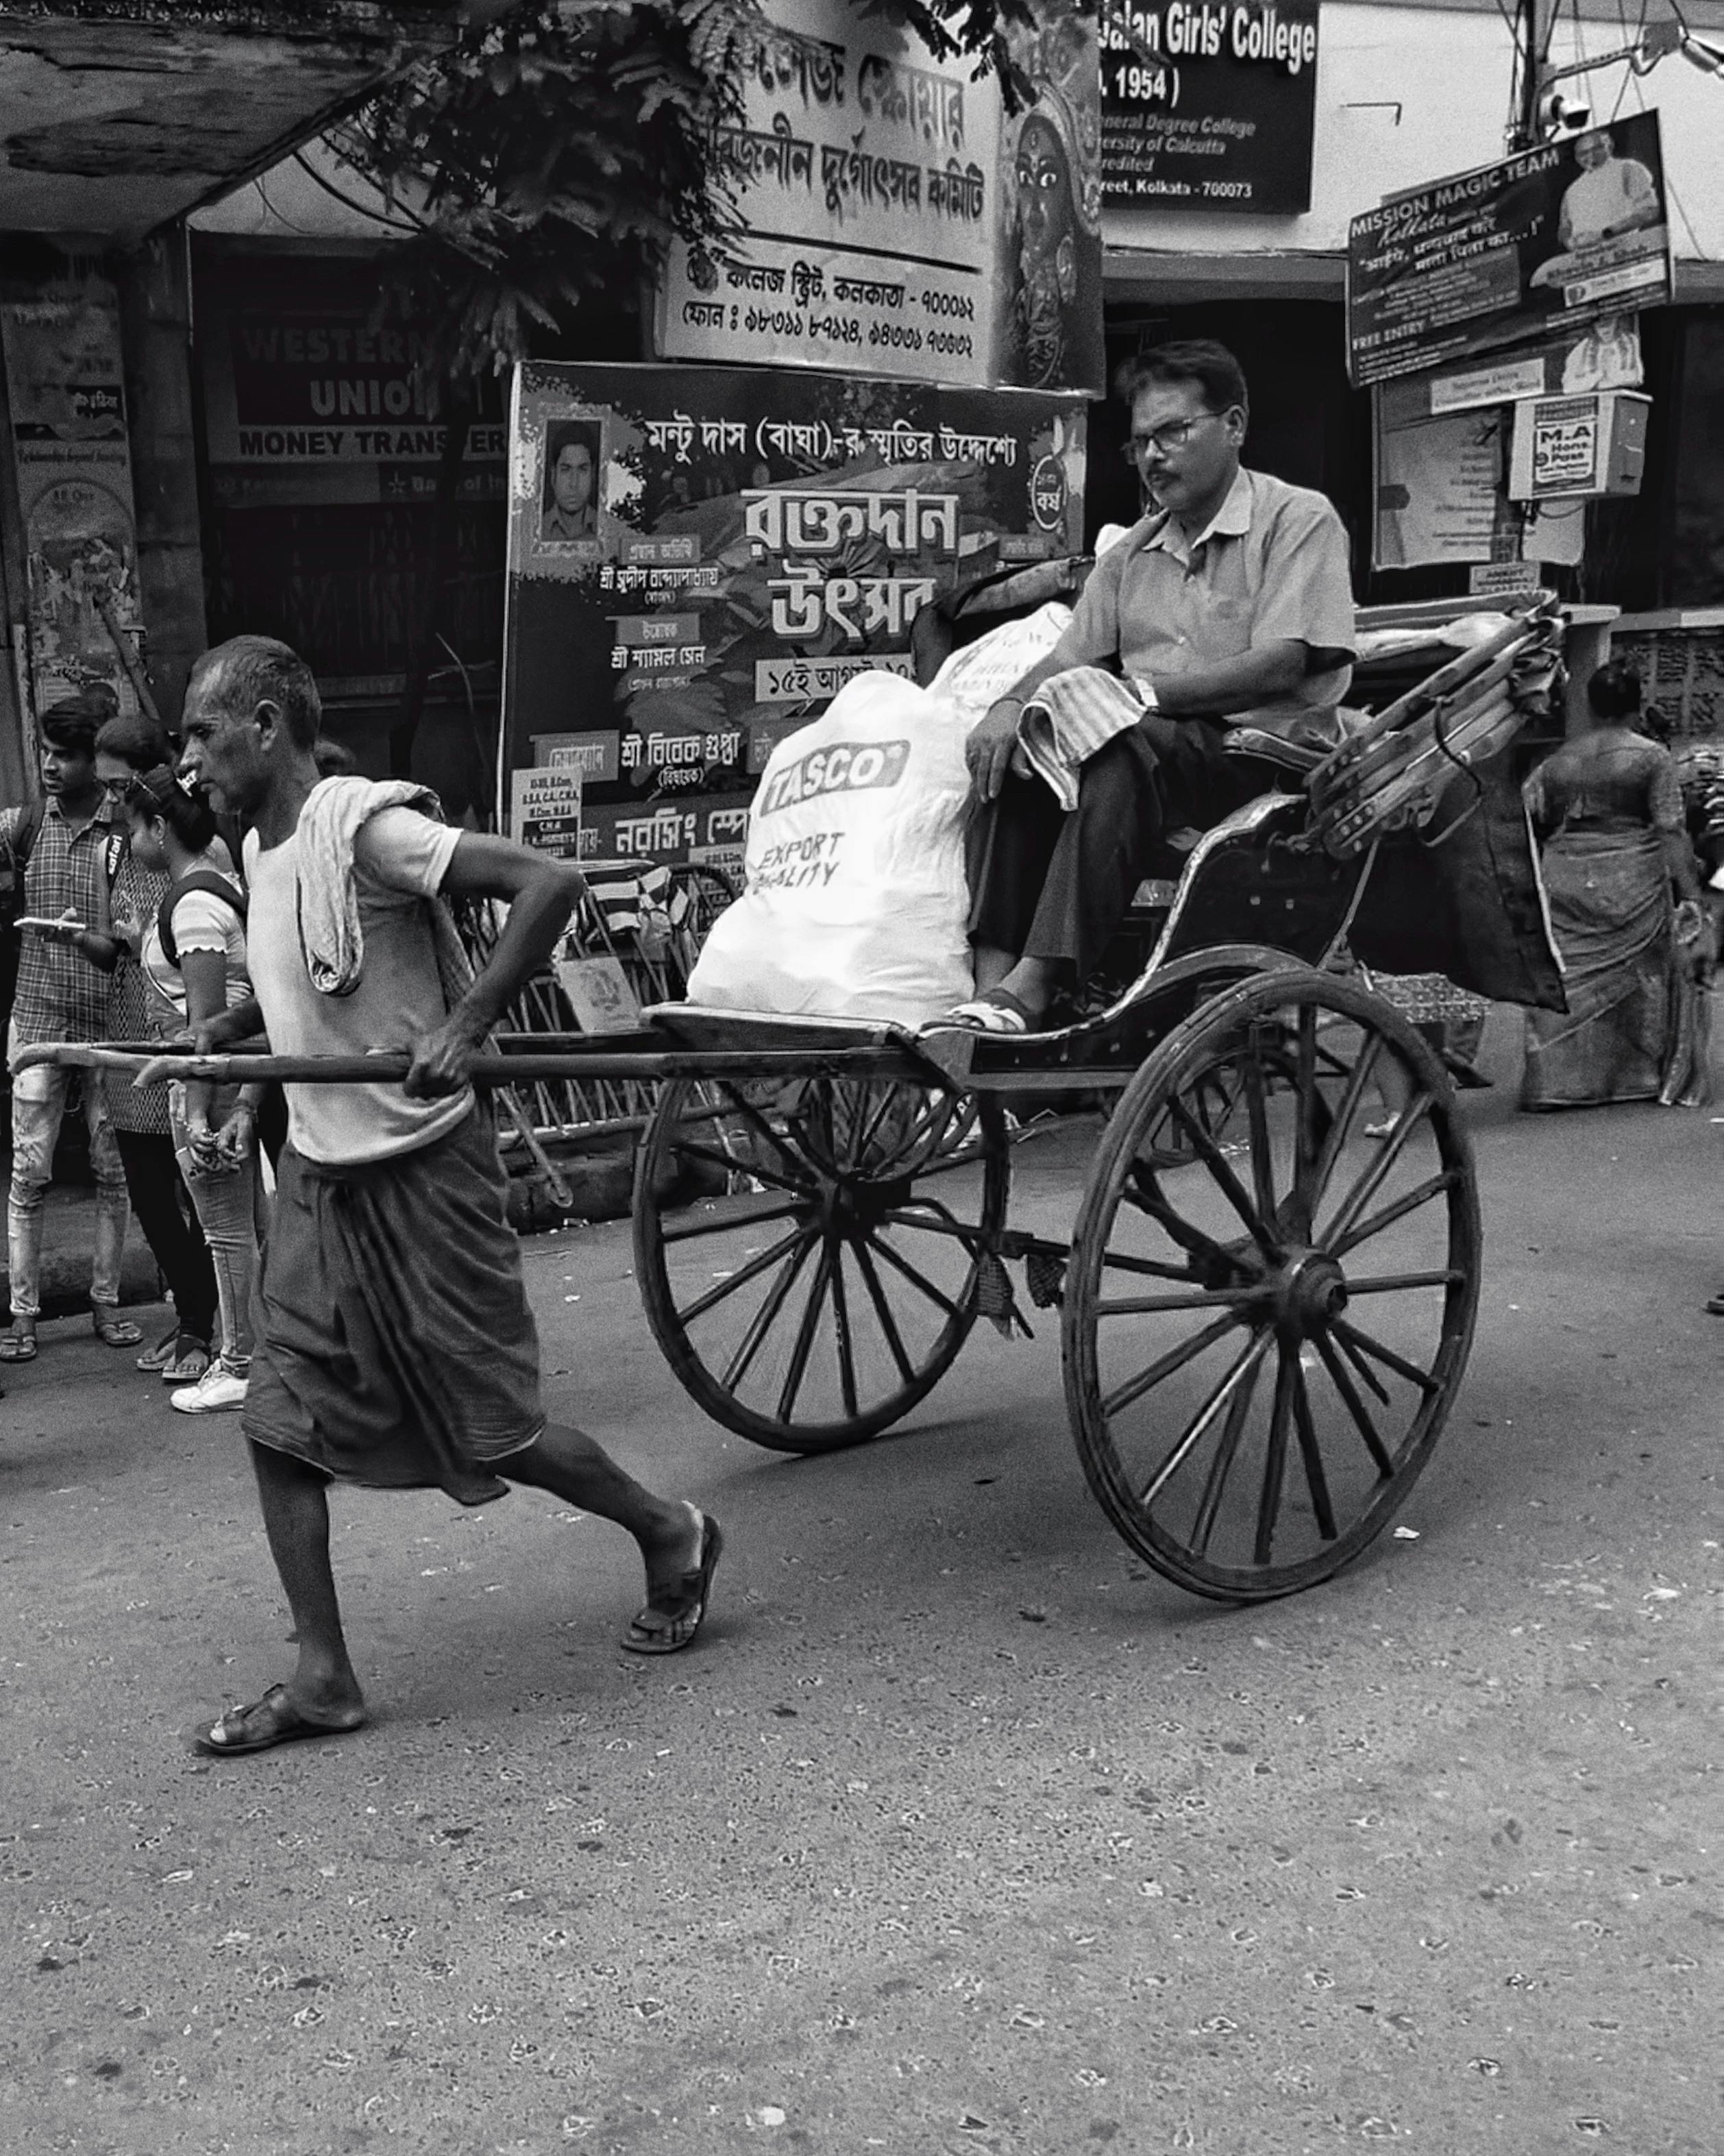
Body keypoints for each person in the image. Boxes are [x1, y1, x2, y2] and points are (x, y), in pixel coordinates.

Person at [175, 635, 721, 1754]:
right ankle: (323, 1675)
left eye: (202, 734)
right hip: (323, 1180)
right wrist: (237, 1027)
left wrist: (470, 1025)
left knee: (500, 1431)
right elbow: (321, 983)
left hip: (427, 1170)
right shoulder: (260, 851)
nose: (188, 761)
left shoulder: (366, 829)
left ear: (266, 727)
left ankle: (670, 1528)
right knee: (277, 1424)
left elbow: (549, 884)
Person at [954, 341, 1356, 1031]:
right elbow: (1066, 657)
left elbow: (1283, 661)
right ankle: (990, 994)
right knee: (1020, 749)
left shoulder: (1297, 519)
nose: (1152, 456)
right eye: (1140, 442)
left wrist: (1142, 697)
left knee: (1121, 742)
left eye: (1173, 433)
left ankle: (1036, 980)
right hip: (1160, 749)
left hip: (1263, 761)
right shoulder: (1131, 552)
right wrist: (1009, 706)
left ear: (1233, 425)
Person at [116, 761, 262, 1415]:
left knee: (226, 1233)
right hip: (220, 1086)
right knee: (243, 1230)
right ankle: (258, 1357)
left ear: (158, 827)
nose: (130, 844)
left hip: (210, 1089)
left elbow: (208, 1026)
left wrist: (199, 1113)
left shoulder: (197, 903)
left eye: (133, 829)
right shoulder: (208, 887)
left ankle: (240, 1364)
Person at [1, 694, 140, 1362]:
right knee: (30, 1174)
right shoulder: (26, 824)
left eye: (66, 755)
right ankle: (23, 1315)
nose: (51, 766)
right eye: (46, 752)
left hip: (112, 1023)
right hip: (37, 1020)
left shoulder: (126, 832)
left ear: (94, 760)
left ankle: (106, 1303)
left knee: (115, 1171)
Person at [94, 711, 223, 1385]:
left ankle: (206, 1321)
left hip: (182, 1032)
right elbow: (110, 941)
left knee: (205, 1193)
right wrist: (95, 938)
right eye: (109, 790)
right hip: (131, 1029)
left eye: (123, 788)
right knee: (149, 1192)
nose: (114, 802)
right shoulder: (116, 850)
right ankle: (191, 1310)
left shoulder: (199, 854)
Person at [1520, 659, 1707, 1110]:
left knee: (1569, 977)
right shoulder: (1651, 757)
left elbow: (1534, 816)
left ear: (1590, 706)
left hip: (1565, 873)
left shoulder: (1559, 761)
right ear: (1636, 706)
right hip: (1631, 875)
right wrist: (1692, 896)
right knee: (1640, 978)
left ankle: (1557, 1085)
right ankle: (1632, 1077)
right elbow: (1670, 828)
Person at [1556, 128, 1662, 253]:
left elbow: (1649, 210)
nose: (1591, 156)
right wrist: (1571, 243)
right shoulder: (1572, 191)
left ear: (1610, 147)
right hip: (1585, 258)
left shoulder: (1628, 168)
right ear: (1577, 158)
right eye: (1583, 153)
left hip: (1626, 250)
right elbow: (1565, 227)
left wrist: (1608, 233)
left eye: (1597, 148)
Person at [540, 424, 598, 543]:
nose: (573, 483)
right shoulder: (536, 529)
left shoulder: (608, 529)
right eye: (566, 470)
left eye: (582, 470)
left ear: (593, 475)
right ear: (553, 475)